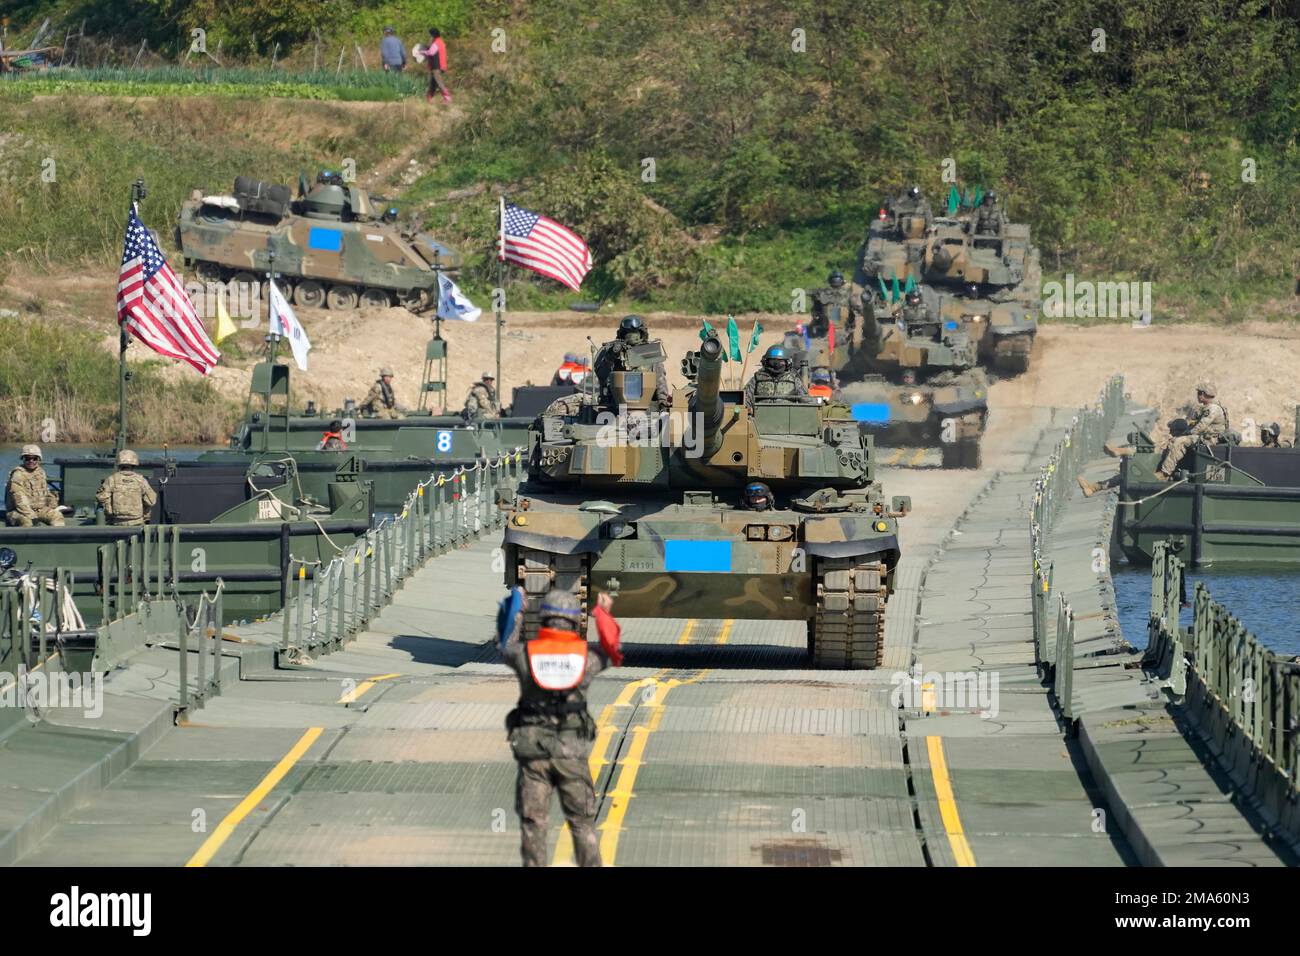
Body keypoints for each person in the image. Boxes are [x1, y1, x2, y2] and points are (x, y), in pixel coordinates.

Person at [498, 586, 623, 867]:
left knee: (534, 824)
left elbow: (505, 644)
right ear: (572, 622)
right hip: (571, 754)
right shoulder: (585, 659)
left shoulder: (525, 655)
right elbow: (611, 651)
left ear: (544, 619)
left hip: (533, 754)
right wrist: (602, 613)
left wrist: (517, 608)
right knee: (582, 824)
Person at [1155, 382, 1228, 481]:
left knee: (1180, 442)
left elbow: (1201, 426)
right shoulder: (1206, 407)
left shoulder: (1213, 409)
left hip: (1210, 439)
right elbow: (1193, 422)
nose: (1197, 396)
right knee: (1174, 440)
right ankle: (1169, 470)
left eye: (1199, 393)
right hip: (1204, 437)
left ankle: (1165, 473)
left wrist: (1187, 434)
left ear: (1203, 394)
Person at [593, 315, 670, 405]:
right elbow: (602, 376)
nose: (631, 336)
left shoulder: (649, 351)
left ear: (641, 333)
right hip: (615, 402)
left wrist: (662, 400)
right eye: (627, 332)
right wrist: (611, 357)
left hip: (646, 403)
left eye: (635, 332)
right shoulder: (610, 350)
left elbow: (660, 379)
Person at [95, 449, 157, 527]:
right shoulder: (141, 480)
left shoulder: (111, 479)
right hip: (137, 522)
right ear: (134, 463)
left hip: (116, 521)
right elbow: (151, 500)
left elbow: (101, 497)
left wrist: (109, 510)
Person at [6, 444, 63, 527]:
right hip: (19, 512)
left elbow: (44, 492)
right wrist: (31, 515)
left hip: (39, 509)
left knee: (57, 516)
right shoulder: (18, 475)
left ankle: (57, 538)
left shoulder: (40, 472)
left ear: (39, 459)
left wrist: (51, 501)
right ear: (23, 459)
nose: (31, 461)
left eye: (34, 458)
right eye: (28, 458)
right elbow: (19, 499)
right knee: (26, 522)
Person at [808, 270, 858, 342]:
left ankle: (847, 329)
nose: (835, 281)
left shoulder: (848, 289)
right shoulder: (826, 291)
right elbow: (816, 304)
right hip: (827, 321)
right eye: (834, 279)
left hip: (845, 319)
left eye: (837, 279)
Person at [424, 28, 451, 104]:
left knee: (439, 82)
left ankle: (447, 98)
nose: (429, 36)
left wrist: (422, 52)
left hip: (436, 66)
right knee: (433, 83)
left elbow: (431, 52)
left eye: (430, 35)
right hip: (439, 65)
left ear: (432, 35)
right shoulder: (440, 41)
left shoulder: (436, 43)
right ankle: (429, 98)